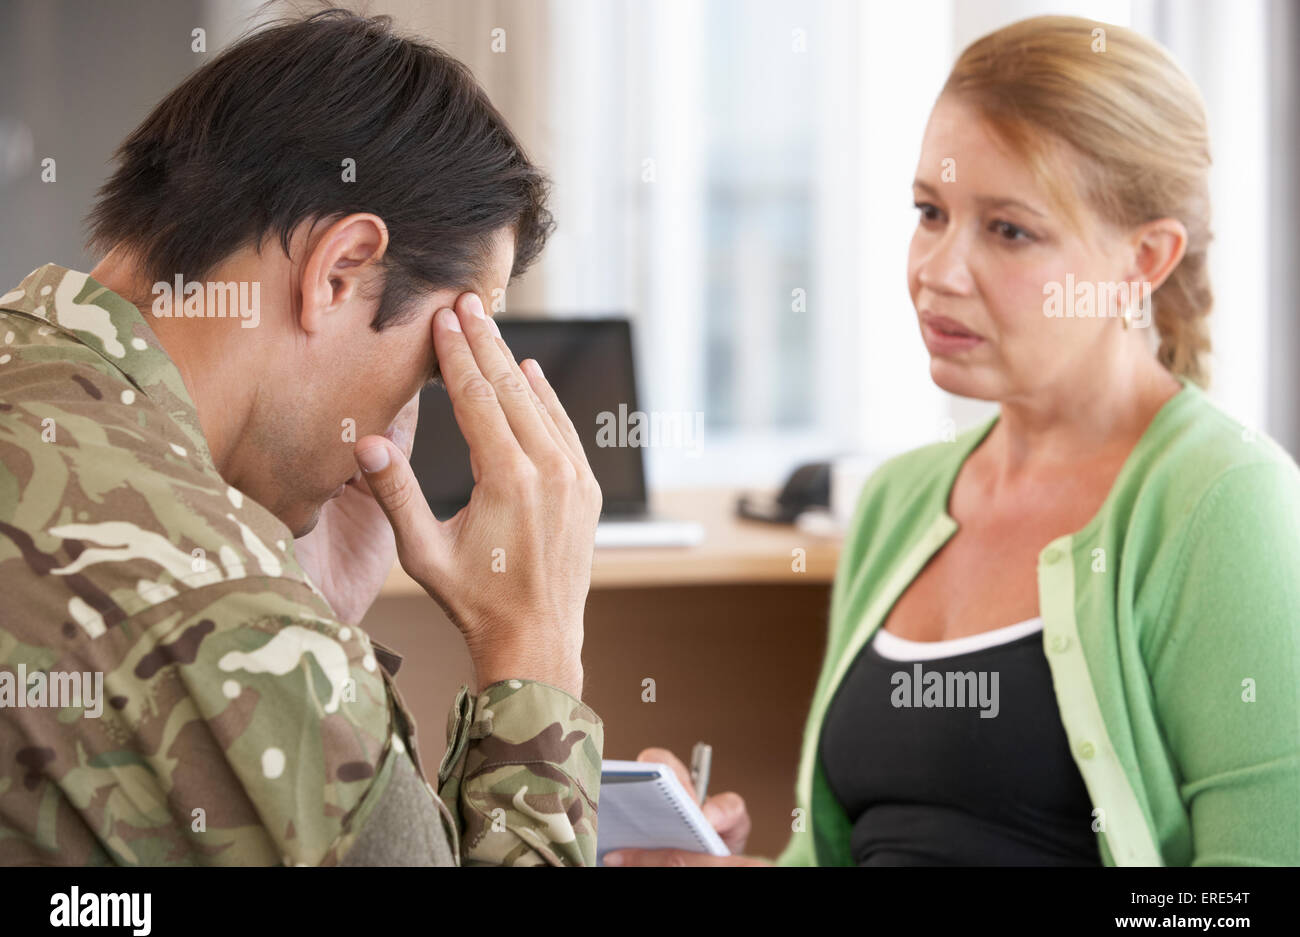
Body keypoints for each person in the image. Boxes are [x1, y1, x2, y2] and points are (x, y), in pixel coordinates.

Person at [607, 15, 1300, 867]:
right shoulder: (899, 500)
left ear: (1145, 259)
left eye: (1008, 230)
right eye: (929, 212)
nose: (938, 270)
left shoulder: (1227, 501)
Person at [0, 11, 605, 866]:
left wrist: (302, 605)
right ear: (340, 271)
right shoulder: (225, 610)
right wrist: (534, 655)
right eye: (437, 361)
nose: (408, 412)